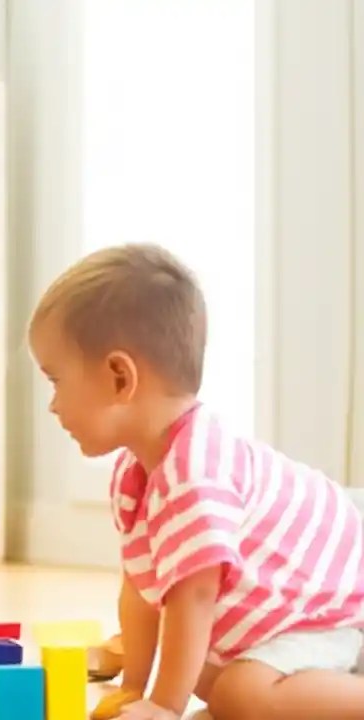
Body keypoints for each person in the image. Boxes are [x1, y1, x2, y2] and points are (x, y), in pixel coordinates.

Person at [27, 243, 364, 720]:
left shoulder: (195, 476)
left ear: (120, 378)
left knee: (239, 693)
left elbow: (195, 598)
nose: (53, 405)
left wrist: (164, 708)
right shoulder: (136, 471)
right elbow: (142, 595)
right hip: (272, 614)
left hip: (326, 610)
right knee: (205, 670)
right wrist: (134, 690)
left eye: (56, 380)